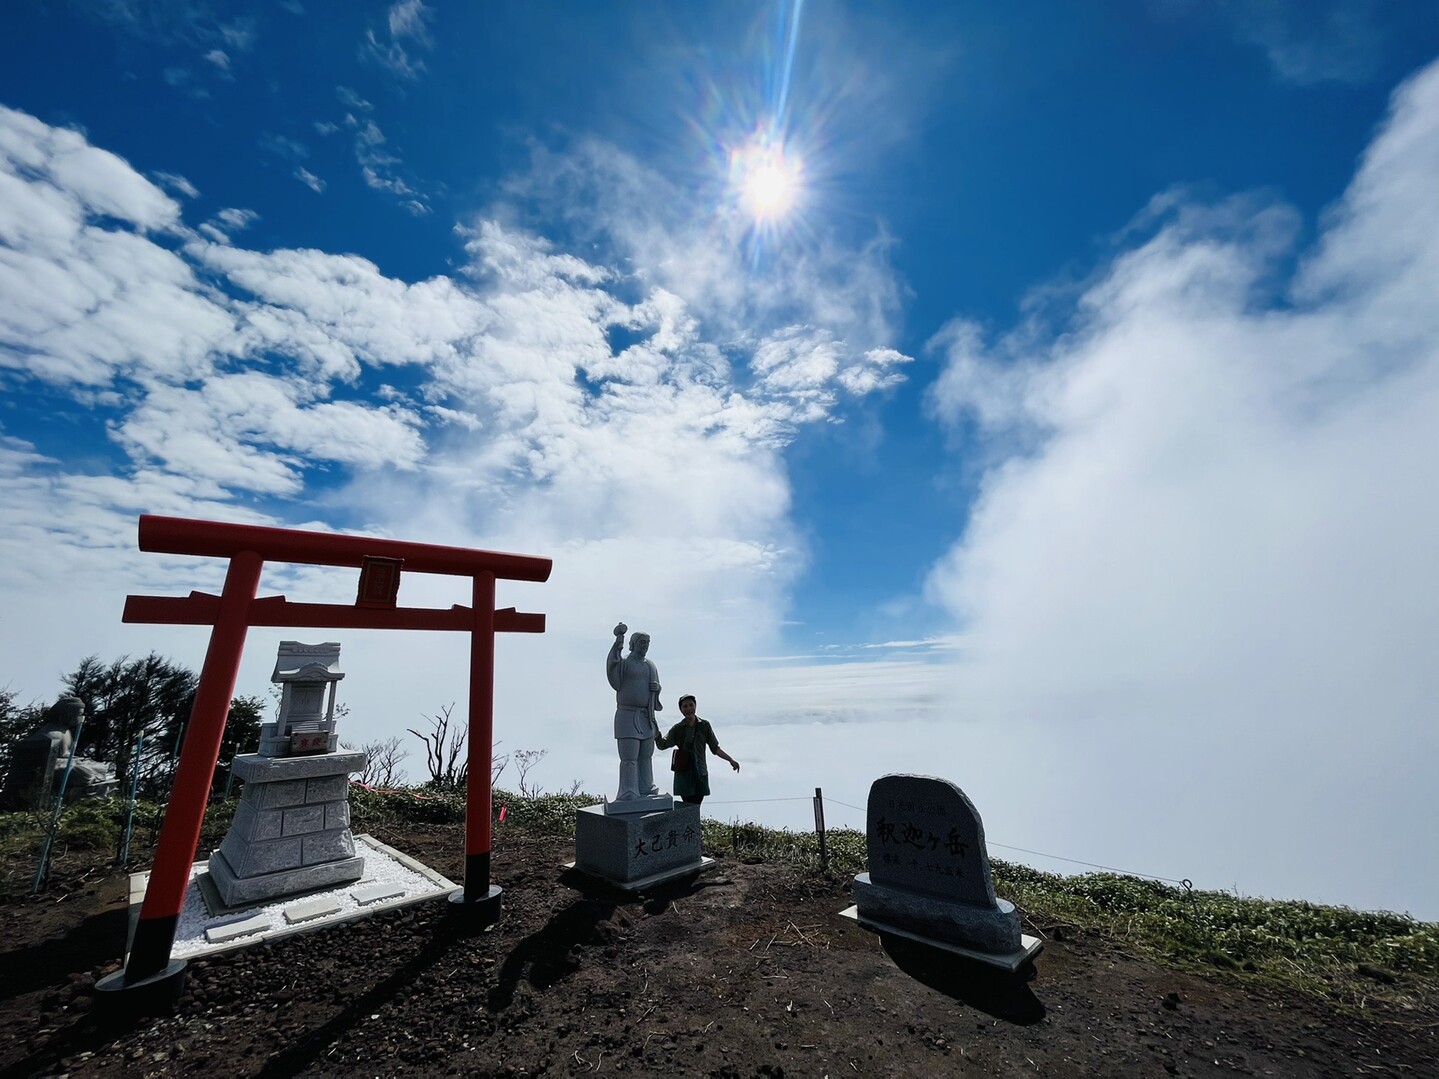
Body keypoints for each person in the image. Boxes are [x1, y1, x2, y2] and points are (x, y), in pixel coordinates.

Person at [607, 622, 663, 802]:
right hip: (627, 715)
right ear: (633, 644)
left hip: (646, 716)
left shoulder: (650, 665)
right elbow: (613, 665)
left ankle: (646, 787)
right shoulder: (624, 663)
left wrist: (657, 689)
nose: (645, 646)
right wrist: (619, 641)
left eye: (647, 643)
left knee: (646, 755)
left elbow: (655, 689)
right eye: (641, 642)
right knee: (629, 757)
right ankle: (628, 790)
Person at [654, 694, 739, 805]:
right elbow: (662, 745)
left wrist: (730, 760)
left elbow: (715, 748)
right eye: (685, 706)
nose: (688, 709)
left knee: (696, 806)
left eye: (691, 705)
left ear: (695, 706)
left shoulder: (704, 725)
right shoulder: (677, 729)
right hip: (684, 775)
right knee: (689, 807)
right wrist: (655, 732)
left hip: (700, 773)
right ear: (681, 710)